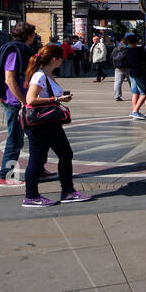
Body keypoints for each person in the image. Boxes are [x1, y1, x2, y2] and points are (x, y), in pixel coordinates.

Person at [22, 44, 92, 207]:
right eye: (61, 57)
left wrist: (60, 97)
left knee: (66, 154)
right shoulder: (39, 76)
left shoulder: (48, 74)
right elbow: (30, 100)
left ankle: (68, 191)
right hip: (39, 124)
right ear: (54, 59)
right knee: (37, 160)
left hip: (50, 122)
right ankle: (31, 196)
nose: (63, 60)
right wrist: (56, 100)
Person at [0, 22, 44, 188]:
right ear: (28, 36)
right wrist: (23, 101)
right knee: (15, 140)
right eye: (33, 34)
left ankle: (38, 168)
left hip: (22, 100)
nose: (35, 37)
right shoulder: (14, 51)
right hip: (15, 102)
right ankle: (6, 176)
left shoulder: (21, 49)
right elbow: (10, 78)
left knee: (37, 137)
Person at [117, 33, 146, 119]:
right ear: (136, 41)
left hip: (131, 72)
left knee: (135, 93)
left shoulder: (126, 51)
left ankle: (135, 111)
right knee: (145, 93)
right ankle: (135, 111)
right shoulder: (140, 50)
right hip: (139, 72)